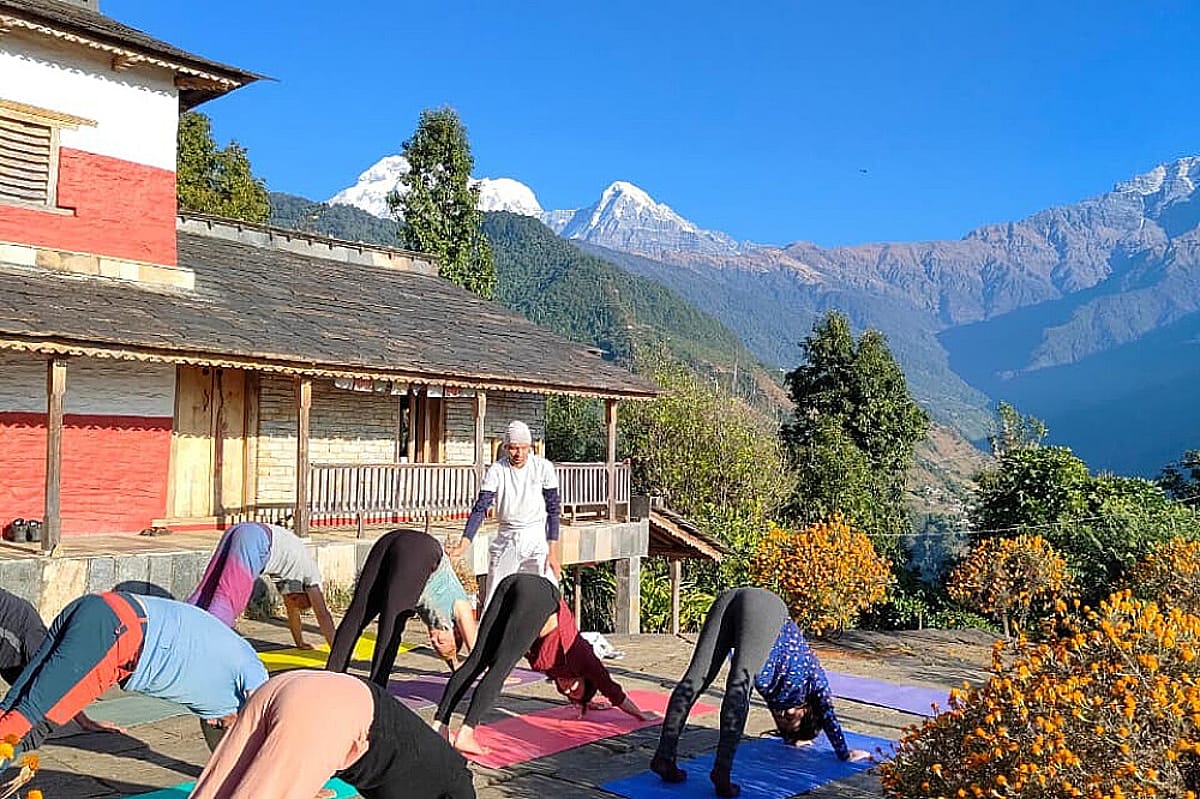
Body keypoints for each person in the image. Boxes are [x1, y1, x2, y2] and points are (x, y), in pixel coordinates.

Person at [650, 588, 870, 798]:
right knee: (734, 685)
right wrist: (844, 752)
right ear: (808, 711)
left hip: (732, 601)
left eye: (782, 720)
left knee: (695, 681)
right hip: (766, 607)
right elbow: (828, 714)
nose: (785, 714)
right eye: (792, 717)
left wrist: (792, 738)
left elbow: (747, 659)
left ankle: (664, 758)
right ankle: (722, 772)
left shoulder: (778, 697)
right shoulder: (814, 681)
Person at [0, 592, 268, 754]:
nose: (212, 723)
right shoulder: (255, 676)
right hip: (119, 632)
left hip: (103, 612)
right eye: (221, 724)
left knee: (18, 706)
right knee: (28, 724)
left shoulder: (233, 664)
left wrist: (82, 718)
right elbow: (263, 719)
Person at [434, 573, 655, 756]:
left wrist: (586, 703)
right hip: (539, 595)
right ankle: (465, 733)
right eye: (575, 688)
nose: (567, 687)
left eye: (567, 692)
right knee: (498, 668)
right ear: (584, 679)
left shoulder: (555, 668)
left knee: (479, 661)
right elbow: (613, 691)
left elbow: (587, 694)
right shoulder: (583, 656)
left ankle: (439, 727)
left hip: (513, 583)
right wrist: (641, 715)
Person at [190, 669, 475, 799]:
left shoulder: (439, 768)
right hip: (333, 709)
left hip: (293, 683)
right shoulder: (450, 782)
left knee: (219, 785)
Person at [327, 529, 479, 684]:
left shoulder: (435, 621)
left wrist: (453, 663)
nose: (433, 639)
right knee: (392, 623)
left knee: (358, 614)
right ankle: (377, 688)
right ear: (456, 634)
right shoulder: (461, 606)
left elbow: (449, 650)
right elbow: (476, 650)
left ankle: (332, 675)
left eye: (434, 645)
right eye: (440, 642)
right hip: (422, 550)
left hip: (391, 541)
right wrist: (495, 675)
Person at [447, 420, 561, 608]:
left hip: (536, 538)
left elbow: (553, 509)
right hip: (507, 537)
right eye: (514, 448)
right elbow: (480, 508)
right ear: (507, 447)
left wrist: (553, 552)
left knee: (549, 591)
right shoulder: (497, 471)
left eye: (523, 448)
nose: (519, 454)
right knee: (495, 596)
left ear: (530, 447)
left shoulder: (543, 467)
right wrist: (463, 545)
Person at [187, 521, 337, 649]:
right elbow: (323, 616)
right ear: (306, 593)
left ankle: (184, 630)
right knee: (228, 598)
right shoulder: (312, 577)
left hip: (242, 530)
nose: (292, 600)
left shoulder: (293, 580)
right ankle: (208, 646)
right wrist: (339, 654)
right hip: (257, 539)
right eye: (298, 600)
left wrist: (300, 643)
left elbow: (292, 614)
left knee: (206, 590)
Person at [0, 586, 119, 736]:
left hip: (18, 627)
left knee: (48, 681)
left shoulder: (25, 632)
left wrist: (85, 722)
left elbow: (59, 679)